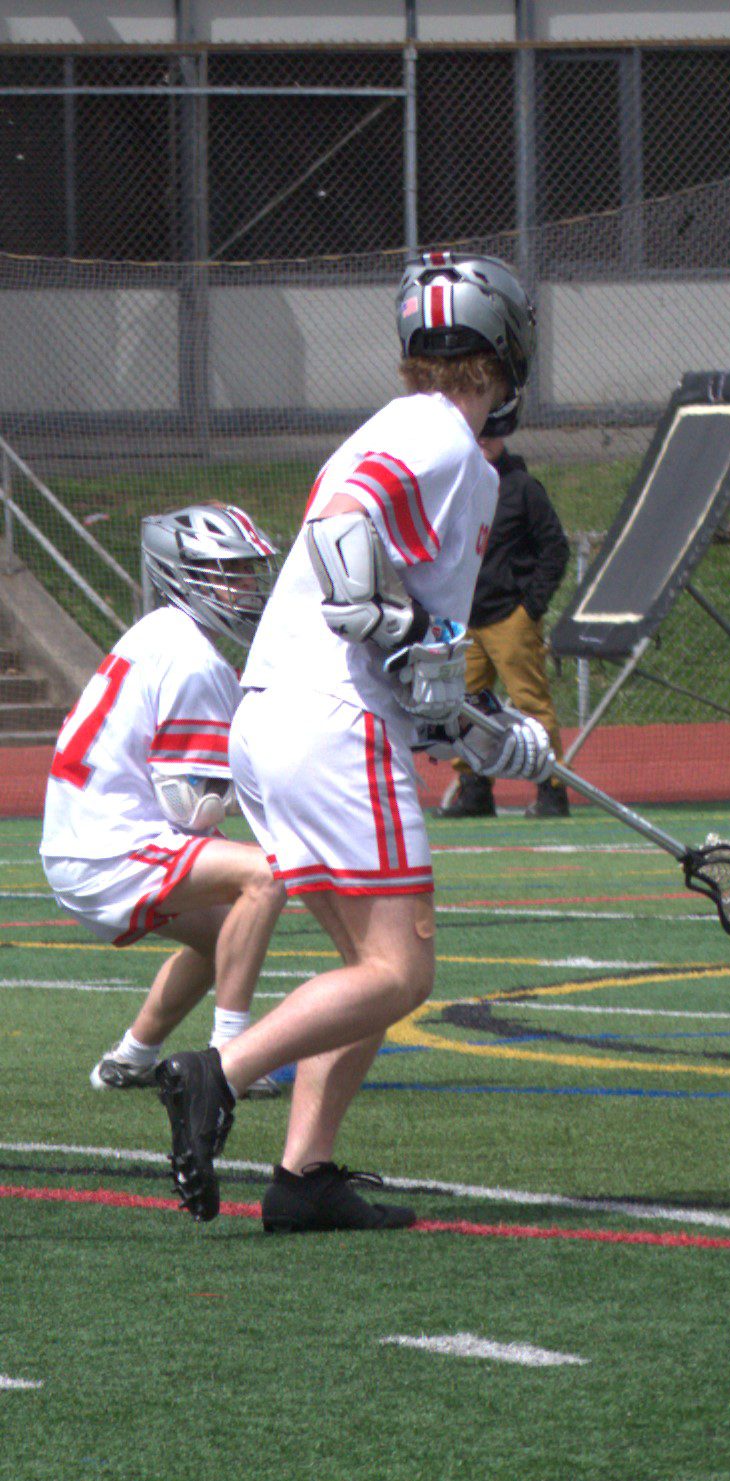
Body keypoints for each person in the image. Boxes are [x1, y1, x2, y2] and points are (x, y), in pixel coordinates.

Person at [153, 251, 554, 1231]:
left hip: (296, 718)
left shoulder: (422, 435)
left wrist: (486, 733)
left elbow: (405, 650)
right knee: (400, 973)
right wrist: (411, 643)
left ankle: (304, 1179)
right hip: (329, 723)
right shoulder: (436, 433)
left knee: (364, 976)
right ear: (506, 350)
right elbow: (341, 534)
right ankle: (217, 1076)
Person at [40, 505, 288, 1097]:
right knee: (270, 874)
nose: (245, 586)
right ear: (182, 573)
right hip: (109, 845)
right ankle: (230, 1057)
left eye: (248, 571)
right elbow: (190, 807)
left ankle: (130, 1057)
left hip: (89, 836)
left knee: (227, 930)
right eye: (226, 571)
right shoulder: (194, 657)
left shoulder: (161, 631)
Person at [439, 432, 571, 819]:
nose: (483, 442)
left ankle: (552, 788)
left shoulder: (523, 488)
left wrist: (530, 607)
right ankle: (474, 790)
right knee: (463, 708)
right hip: (465, 621)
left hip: (510, 619)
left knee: (531, 704)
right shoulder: (459, 486)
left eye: (491, 435)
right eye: (478, 434)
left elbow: (554, 548)